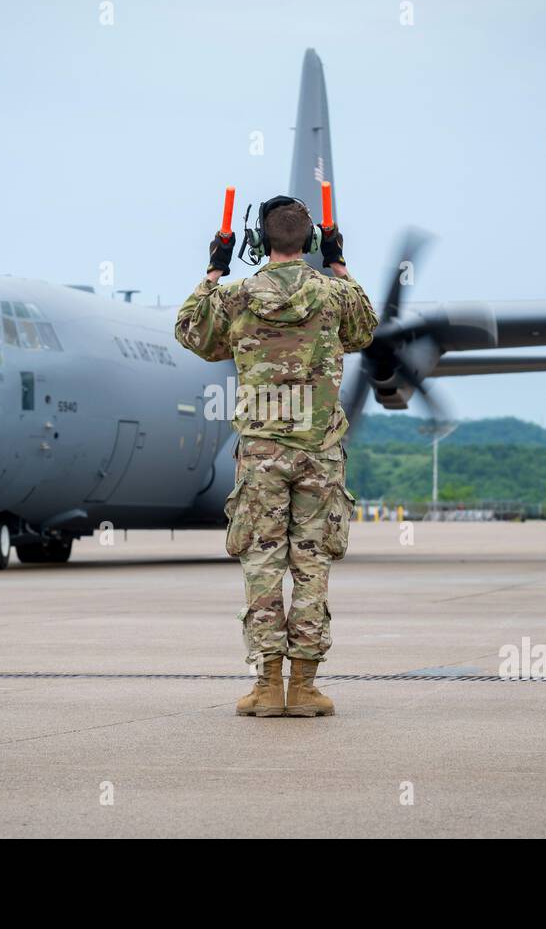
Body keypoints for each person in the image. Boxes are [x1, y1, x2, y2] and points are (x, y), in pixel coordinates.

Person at [175, 196, 378, 716]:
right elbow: (365, 331)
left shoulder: (239, 297)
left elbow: (191, 332)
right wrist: (339, 262)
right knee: (312, 564)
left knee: (262, 564)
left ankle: (266, 687)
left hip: (261, 454)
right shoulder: (334, 296)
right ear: (310, 241)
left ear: (261, 242)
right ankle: (306, 688)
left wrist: (214, 269)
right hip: (319, 453)